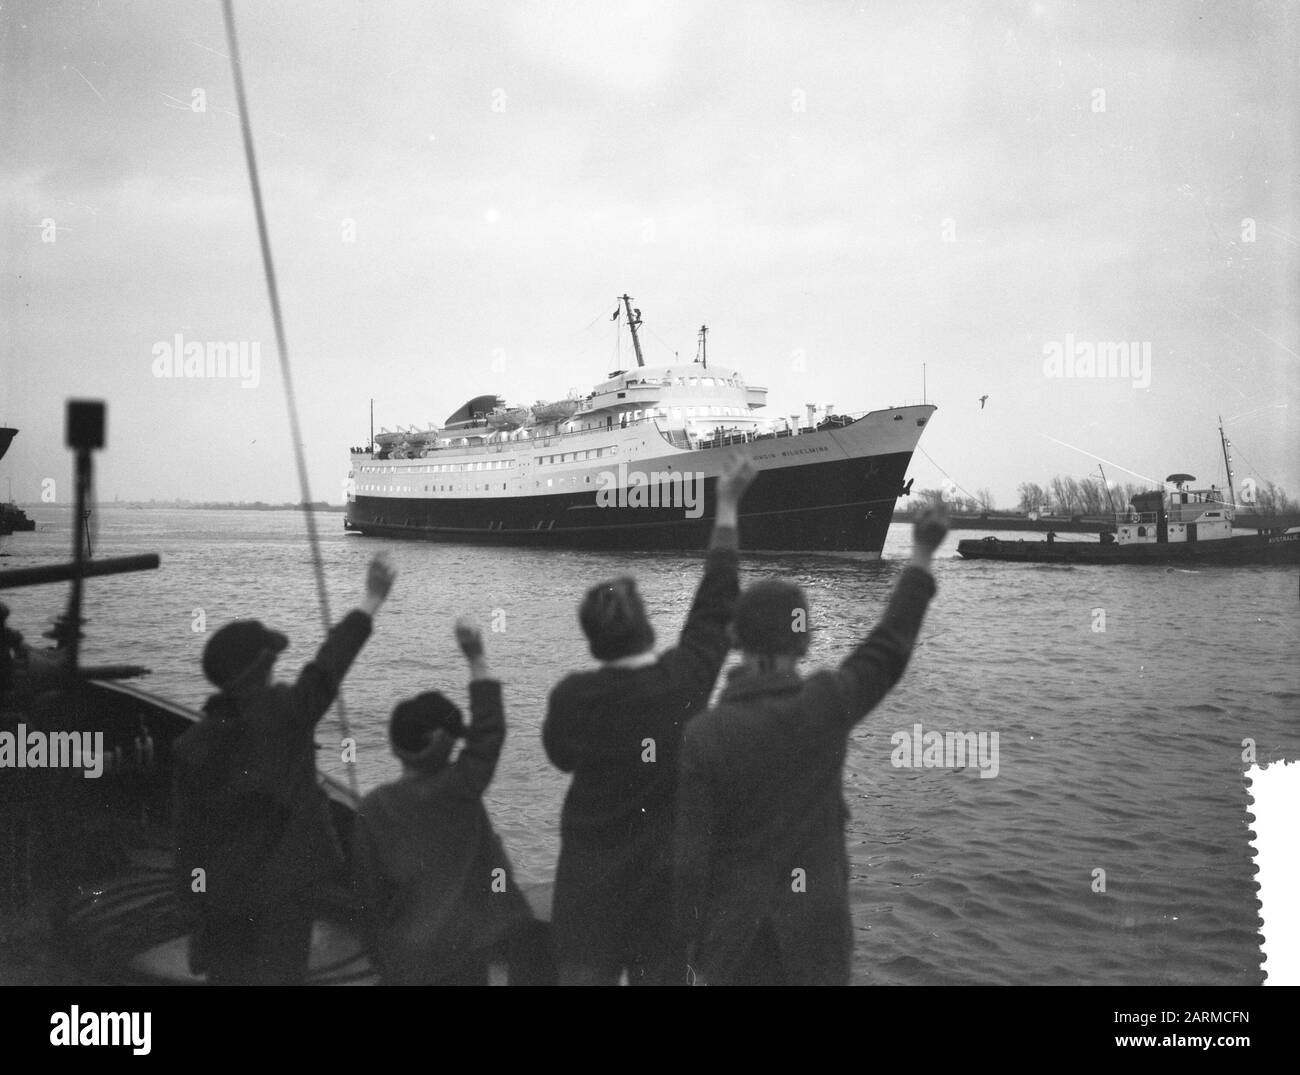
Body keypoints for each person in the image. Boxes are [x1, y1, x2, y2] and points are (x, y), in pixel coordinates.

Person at [673, 505, 948, 986]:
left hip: (732, 951)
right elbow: (888, 649)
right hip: (817, 946)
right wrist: (922, 554)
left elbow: (689, 866)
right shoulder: (825, 706)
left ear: (736, 638)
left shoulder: (703, 735)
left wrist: (691, 950)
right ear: (803, 644)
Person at [542, 453, 757, 985]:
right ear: (649, 630)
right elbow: (716, 605)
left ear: (592, 640)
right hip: (663, 897)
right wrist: (726, 504)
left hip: (586, 896)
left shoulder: (573, 697)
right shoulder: (682, 683)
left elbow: (559, 754)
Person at [173, 553, 397, 986]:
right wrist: (371, 599)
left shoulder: (190, 747)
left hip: (222, 897)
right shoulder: (288, 714)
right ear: (264, 669)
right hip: (285, 892)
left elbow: (188, 846)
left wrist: (196, 923)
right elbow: (329, 666)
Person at [351, 619, 543, 985]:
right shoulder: (462, 787)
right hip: (465, 945)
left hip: (406, 950)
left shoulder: (374, 807)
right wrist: (476, 658)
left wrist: (378, 952)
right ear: (448, 746)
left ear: (393, 747)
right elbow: (489, 730)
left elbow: (368, 894)